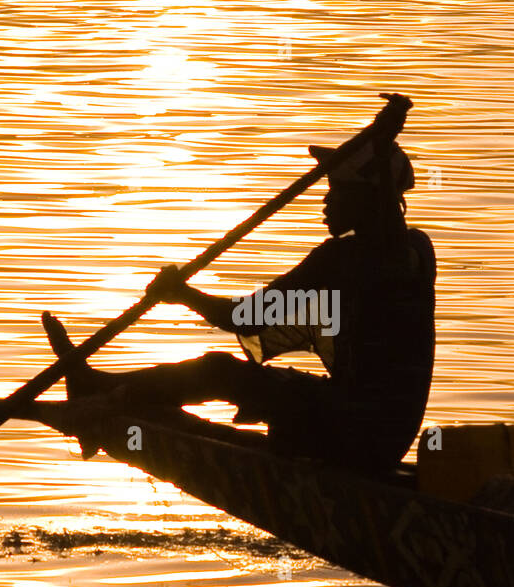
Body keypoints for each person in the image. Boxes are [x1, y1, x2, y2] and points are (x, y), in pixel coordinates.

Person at [62, 140, 436, 473]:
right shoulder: (390, 252)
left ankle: (105, 394)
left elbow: (246, 319)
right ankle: (109, 392)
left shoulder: (393, 256)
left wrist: (183, 293)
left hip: (360, 433)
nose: (325, 200)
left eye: (336, 189)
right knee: (234, 372)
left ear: (368, 200)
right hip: (367, 428)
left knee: (218, 370)